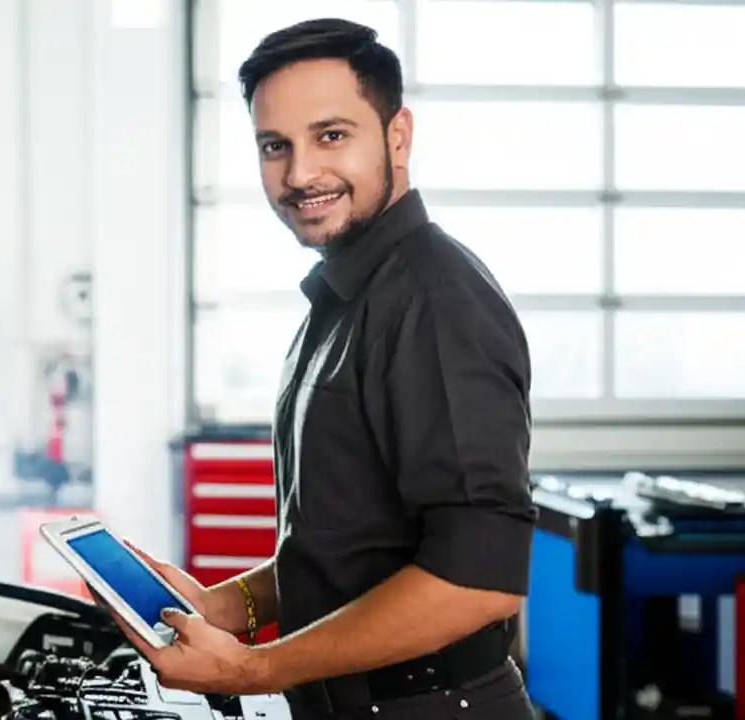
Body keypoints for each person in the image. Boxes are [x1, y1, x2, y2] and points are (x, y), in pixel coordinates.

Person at [103, 18, 539, 720]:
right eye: (276, 146)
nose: (300, 173)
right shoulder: (348, 296)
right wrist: (226, 606)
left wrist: (253, 669)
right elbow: (351, 546)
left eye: (331, 135)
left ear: (398, 136)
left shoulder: (432, 301)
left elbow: (478, 580)